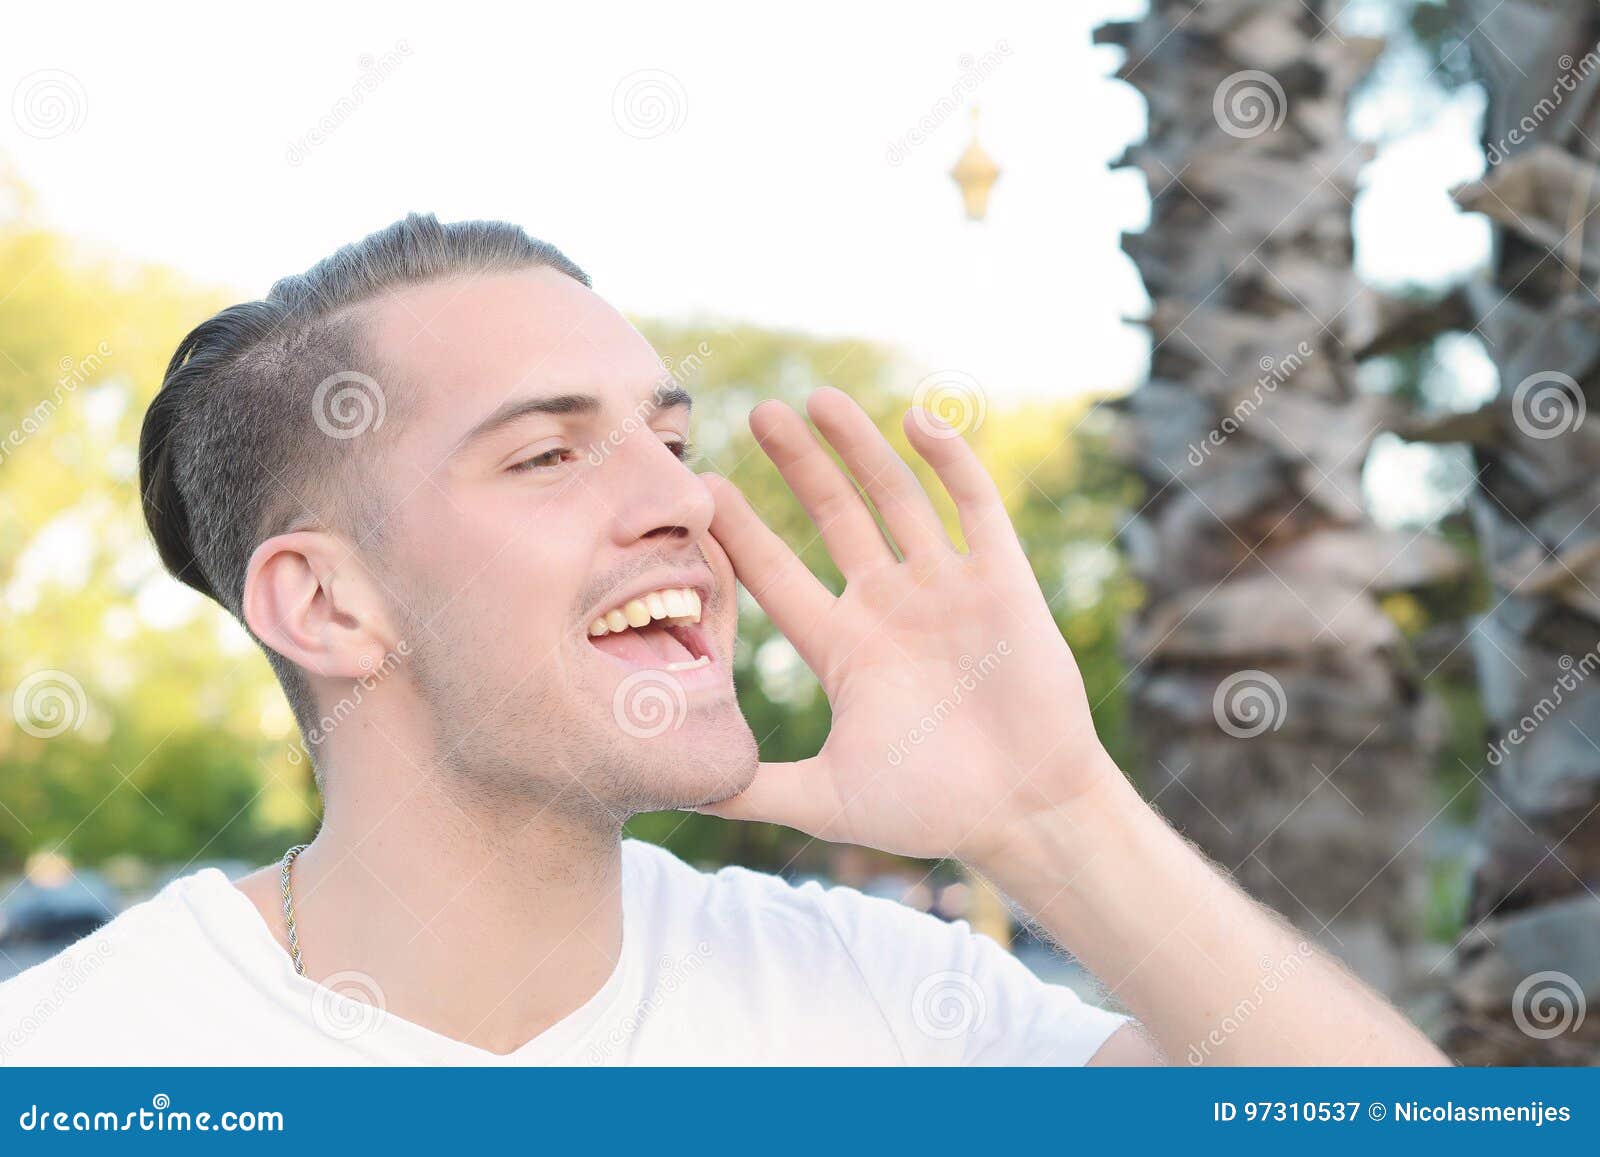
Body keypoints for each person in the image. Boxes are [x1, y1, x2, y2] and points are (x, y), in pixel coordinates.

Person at [0, 215, 1447, 1065]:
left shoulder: (879, 1002)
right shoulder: (85, 1058)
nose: (687, 500)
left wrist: (1056, 819)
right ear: (325, 604)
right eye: (550, 457)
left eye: (671, 436)